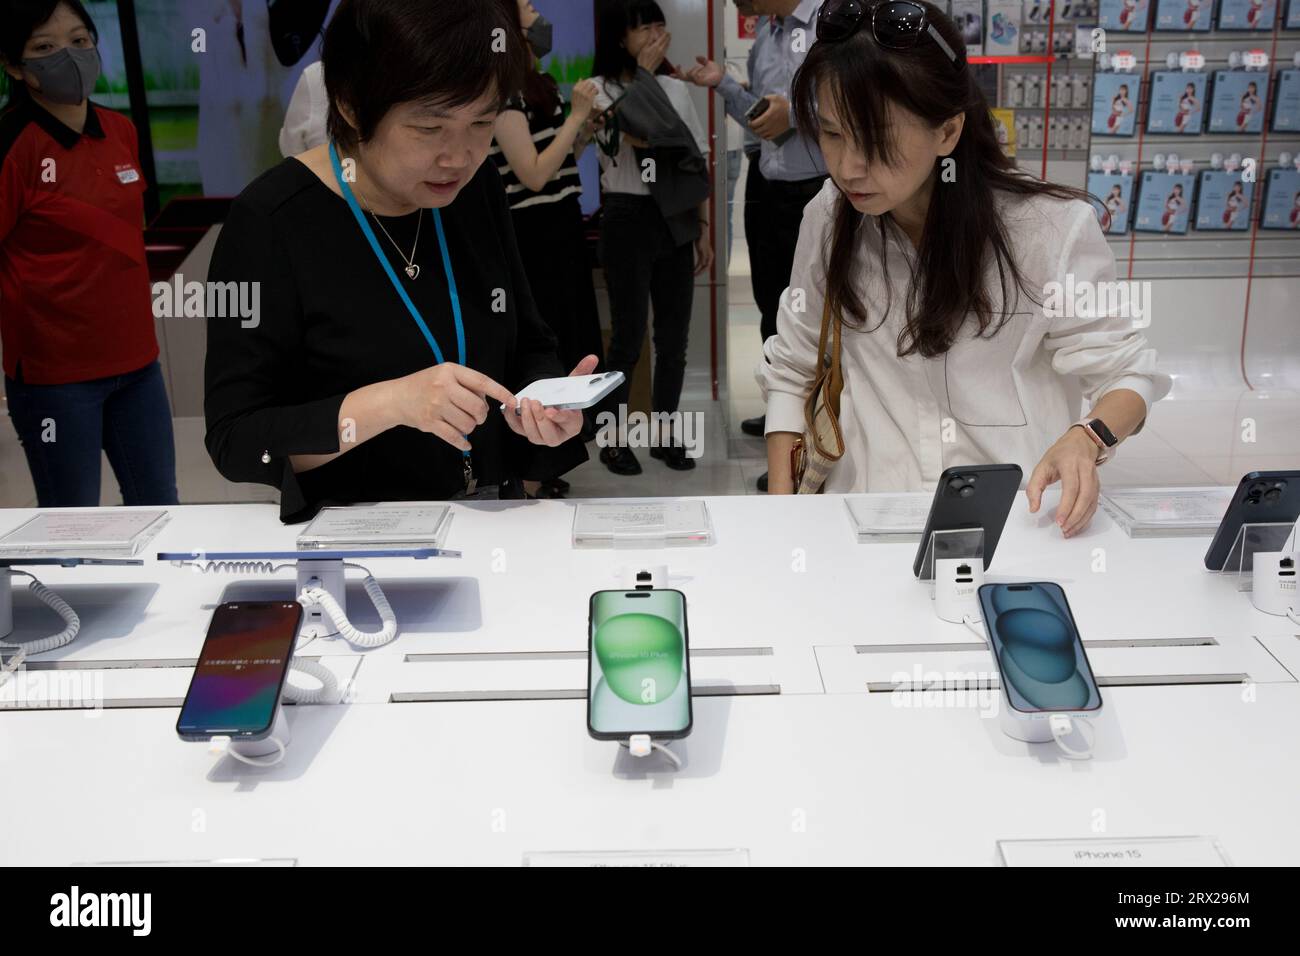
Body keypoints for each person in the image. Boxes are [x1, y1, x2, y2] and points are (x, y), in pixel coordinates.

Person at [760, 0, 1170, 537]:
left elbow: (1128, 375)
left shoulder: (1048, 228)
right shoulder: (829, 217)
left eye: (877, 139)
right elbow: (792, 371)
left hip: (1016, 523)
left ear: (948, 132)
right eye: (833, 135)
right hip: (867, 521)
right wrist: (779, 517)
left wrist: (1087, 438)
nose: (848, 167)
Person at [204, 0, 594, 522]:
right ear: (349, 105)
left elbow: (526, 340)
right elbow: (237, 438)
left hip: (491, 523)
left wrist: (542, 403)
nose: (457, 157)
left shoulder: (476, 189)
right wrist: (392, 404)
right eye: (429, 129)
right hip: (363, 542)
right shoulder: (271, 222)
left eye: (482, 122)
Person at [0, 0, 178, 507]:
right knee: (72, 525)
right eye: (44, 47)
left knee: (162, 511)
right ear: (15, 66)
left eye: (79, 41)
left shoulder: (120, 130)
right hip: (55, 382)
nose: (69, 56)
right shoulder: (13, 146)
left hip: (138, 366)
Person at [683, 0, 828, 491]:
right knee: (775, 311)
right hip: (767, 188)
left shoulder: (833, 20)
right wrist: (723, 84)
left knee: (816, 323)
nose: (730, 2)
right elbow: (761, 118)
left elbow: (861, 101)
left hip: (816, 189)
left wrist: (800, 113)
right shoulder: (767, 32)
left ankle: (811, 451)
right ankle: (781, 422)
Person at [589, 0, 713, 475]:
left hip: (676, 216)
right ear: (622, 37)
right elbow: (640, 134)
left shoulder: (674, 87)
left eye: (662, 25)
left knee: (674, 338)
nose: (658, 35)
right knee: (627, 337)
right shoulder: (600, 90)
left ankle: (664, 433)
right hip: (626, 214)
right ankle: (614, 438)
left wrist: (701, 227)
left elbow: (692, 157)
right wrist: (642, 82)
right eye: (646, 28)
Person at [489, 0, 606, 497]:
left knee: (574, 333)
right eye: (528, 7)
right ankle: (532, 469)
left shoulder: (537, 82)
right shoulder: (501, 91)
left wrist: (581, 134)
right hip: (531, 235)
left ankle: (550, 463)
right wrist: (574, 116)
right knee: (546, 344)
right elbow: (532, 174)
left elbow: (556, 165)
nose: (538, 14)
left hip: (562, 228)